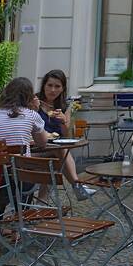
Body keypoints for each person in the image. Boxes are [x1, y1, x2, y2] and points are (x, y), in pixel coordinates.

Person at [35, 69, 95, 197]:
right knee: (61, 150)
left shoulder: (64, 106)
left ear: (62, 89)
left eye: (57, 86)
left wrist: (63, 121)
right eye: (49, 85)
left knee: (57, 155)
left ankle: (41, 203)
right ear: (44, 85)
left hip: (53, 150)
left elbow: (67, 136)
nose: (53, 90)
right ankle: (77, 186)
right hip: (36, 148)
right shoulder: (35, 102)